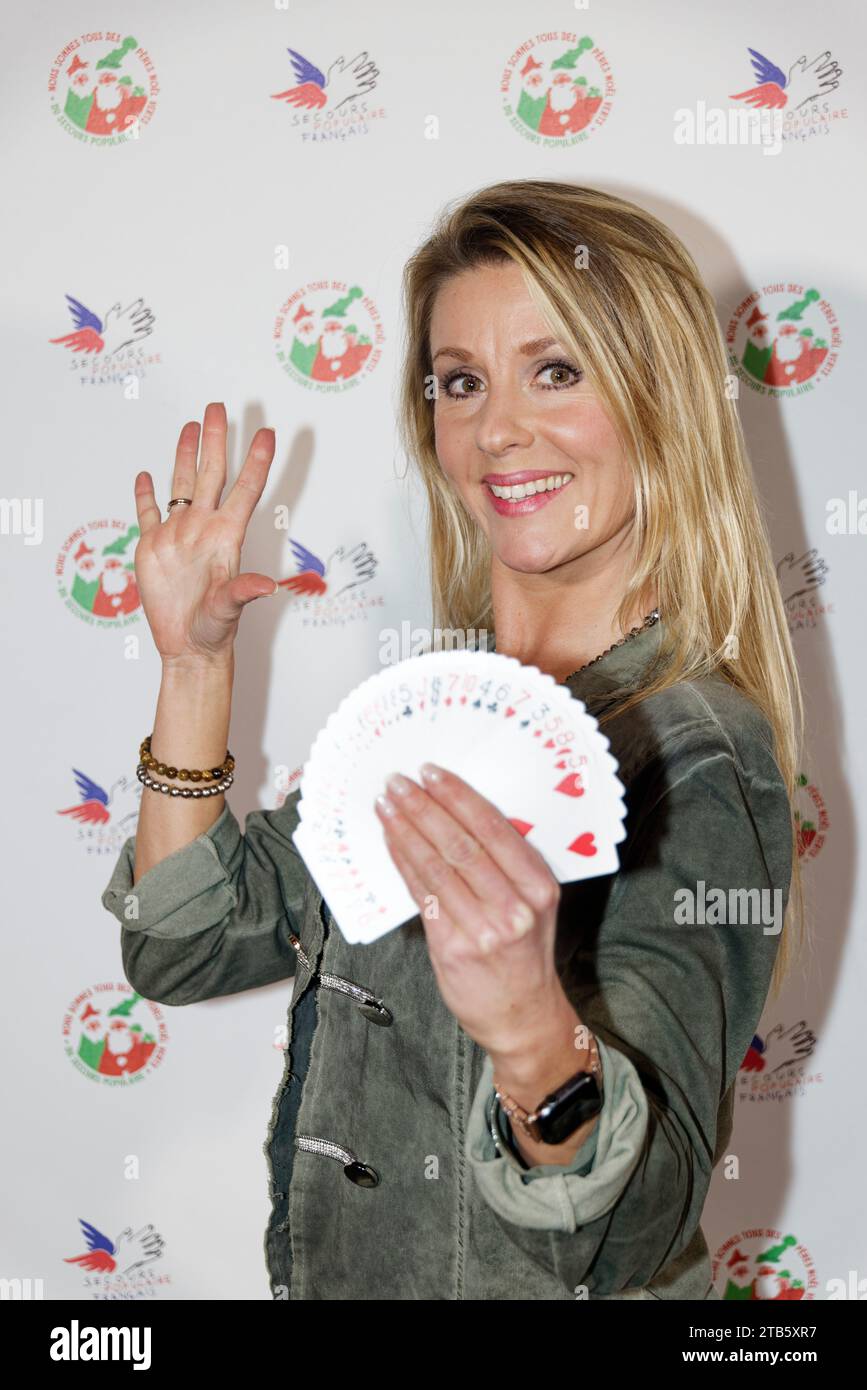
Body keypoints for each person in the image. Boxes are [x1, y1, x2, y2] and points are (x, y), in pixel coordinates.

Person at [101, 179, 803, 1300]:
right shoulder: (438, 712)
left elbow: (629, 1233)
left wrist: (531, 1032)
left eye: (556, 370)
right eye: (461, 382)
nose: (496, 429)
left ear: (661, 397)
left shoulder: (695, 750)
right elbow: (184, 945)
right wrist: (194, 668)